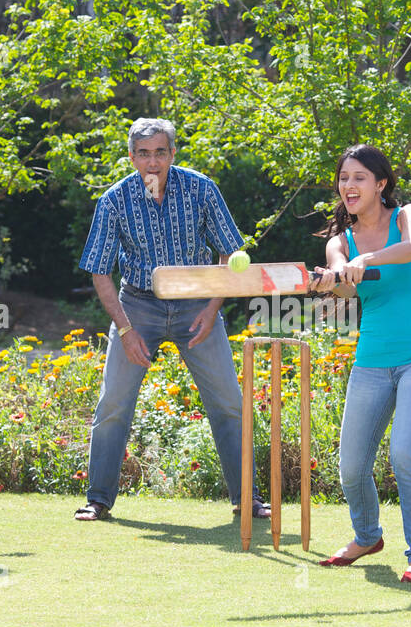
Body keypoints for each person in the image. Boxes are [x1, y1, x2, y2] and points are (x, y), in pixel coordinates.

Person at [73, 118, 266, 521]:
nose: (152, 161)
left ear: (173, 154)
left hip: (198, 304)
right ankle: (98, 500)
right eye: (143, 153)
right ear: (131, 157)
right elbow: (98, 271)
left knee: (228, 403)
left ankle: (247, 499)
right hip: (137, 306)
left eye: (161, 152)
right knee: (112, 404)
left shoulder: (201, 188)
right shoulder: (114, 200)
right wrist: (125, 329)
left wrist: (213, 310)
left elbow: (231, 255)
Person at [311, 144, 411, 582]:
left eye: (359, 178)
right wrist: (331, 285)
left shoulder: (407, 215)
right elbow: (348, 291)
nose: (348, 186)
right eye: (344, 178)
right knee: (351, 465)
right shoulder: (340, 242)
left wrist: (366, 259)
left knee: (405, 452)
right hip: (372, 357)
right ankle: (367, 536)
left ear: (381, 183)